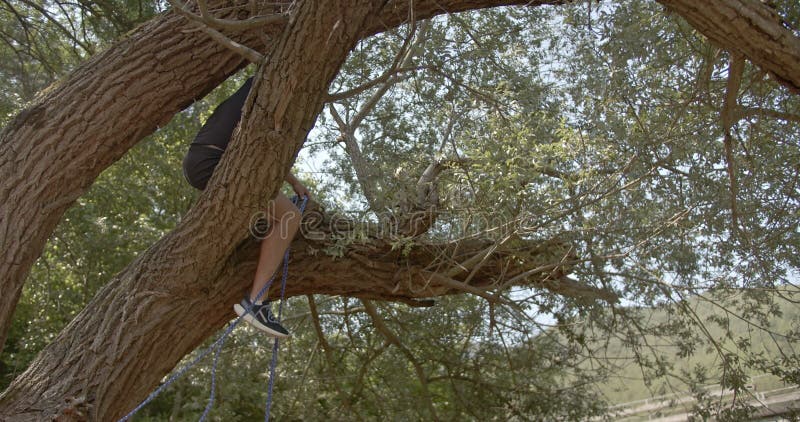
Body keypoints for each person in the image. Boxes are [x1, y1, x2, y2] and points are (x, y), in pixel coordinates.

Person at [183, 77, 310, 338]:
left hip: (203, 159)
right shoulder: (269, 93)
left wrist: (293, 183)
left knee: (273, 214)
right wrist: (294, 182)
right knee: (289, 215)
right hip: (212, 161)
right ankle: (256, 303)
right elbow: (262, 148)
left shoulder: (253, 91)